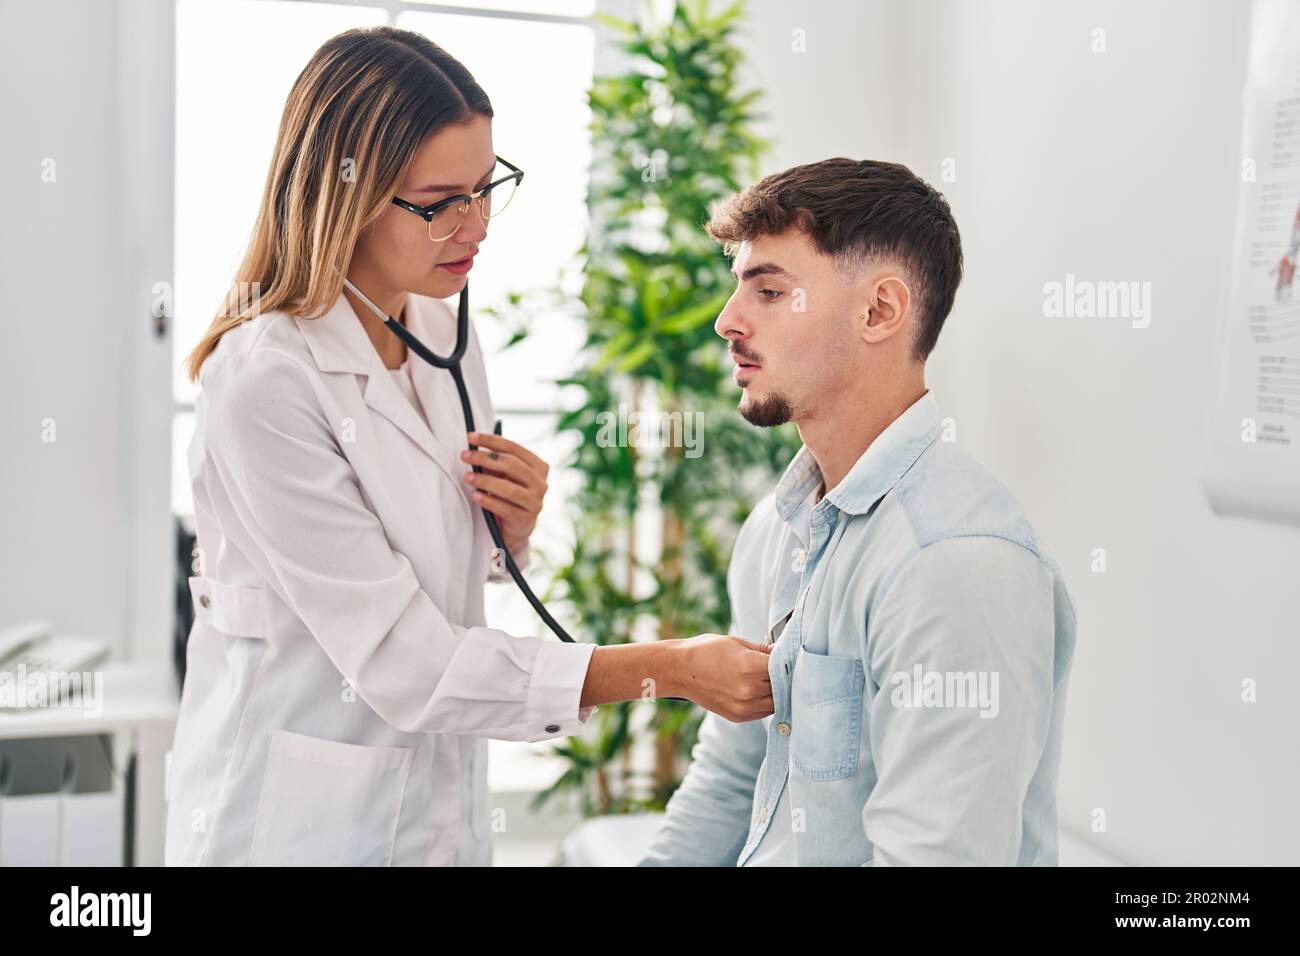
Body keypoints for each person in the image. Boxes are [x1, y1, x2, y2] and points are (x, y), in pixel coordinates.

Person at [166, 26, 772, 867]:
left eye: (487, 188)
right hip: (295, 821)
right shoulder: (264, 381)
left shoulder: (442, 327)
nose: (476, 224)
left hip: (436, 803)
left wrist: (508, 527)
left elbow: (438, 562)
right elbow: (403, 660)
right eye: (440, 201)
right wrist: (666, 667)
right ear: (347, 194)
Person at [640, 158, 1077, 866]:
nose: (727, 322)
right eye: (737, 291)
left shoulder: (955, 563)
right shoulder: (774, 533)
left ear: (879, 311)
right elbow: (729, 779)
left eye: (771, 291)